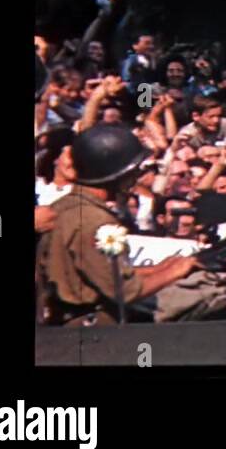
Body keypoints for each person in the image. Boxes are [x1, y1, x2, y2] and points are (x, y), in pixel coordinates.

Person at [36, 125, 203, 326]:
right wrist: (176, 271)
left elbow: (101, 272)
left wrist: (163, 267)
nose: (136, 178)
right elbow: (124, 291)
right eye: (133, 172)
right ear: (117, 174)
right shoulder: (94, 221)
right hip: (92, 329)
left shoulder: (66, 206)